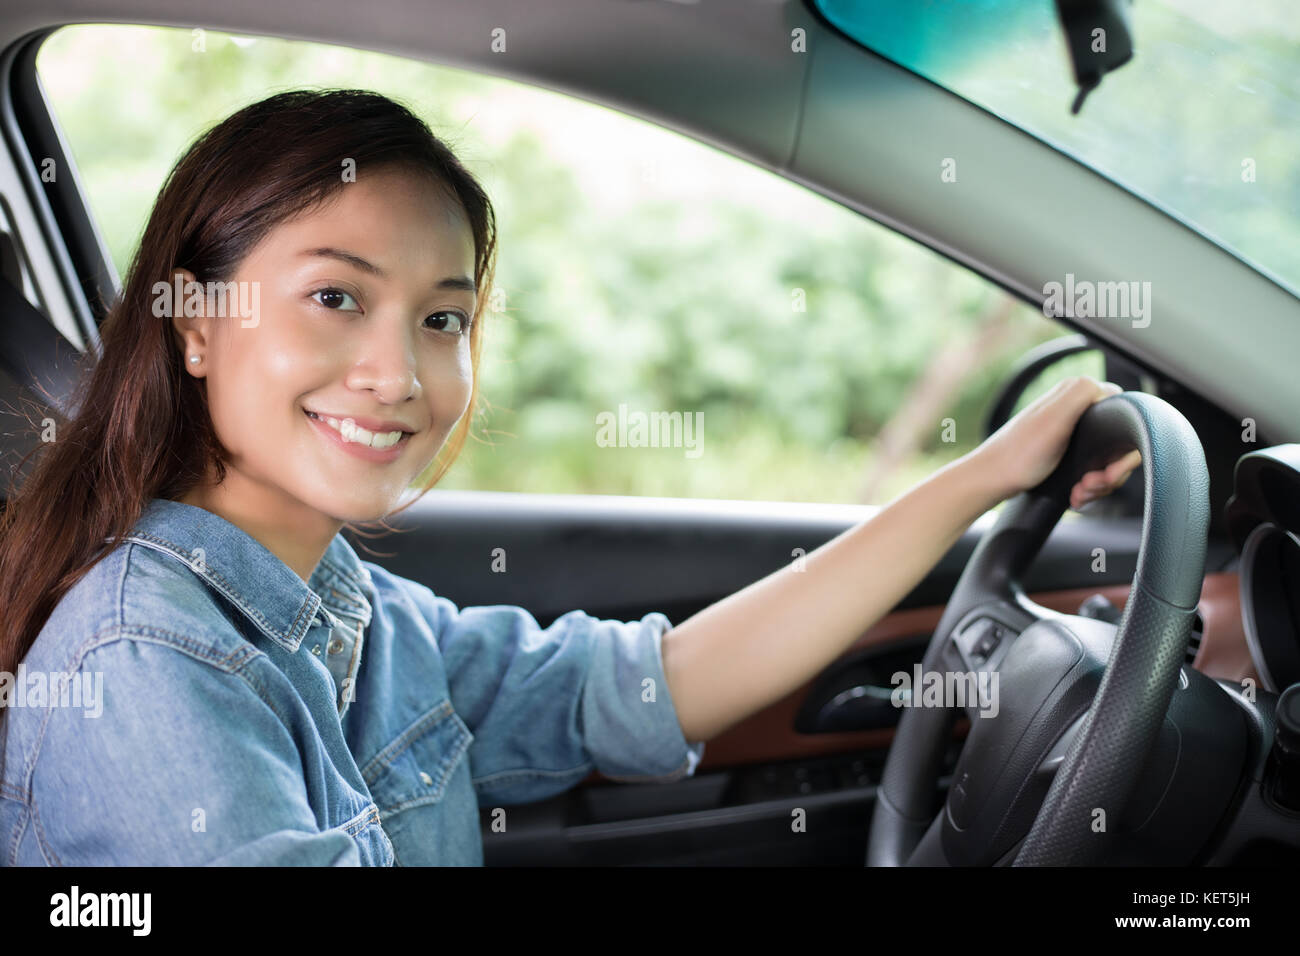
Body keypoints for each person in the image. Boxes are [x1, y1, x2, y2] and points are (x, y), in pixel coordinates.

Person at [0, 89, 1140, 866]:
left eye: (442, 317)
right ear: (196, 323)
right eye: (336, 297)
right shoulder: (144, 660)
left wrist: (982, 477)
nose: (398, 371)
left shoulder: (354, 611)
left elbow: (651, 683)